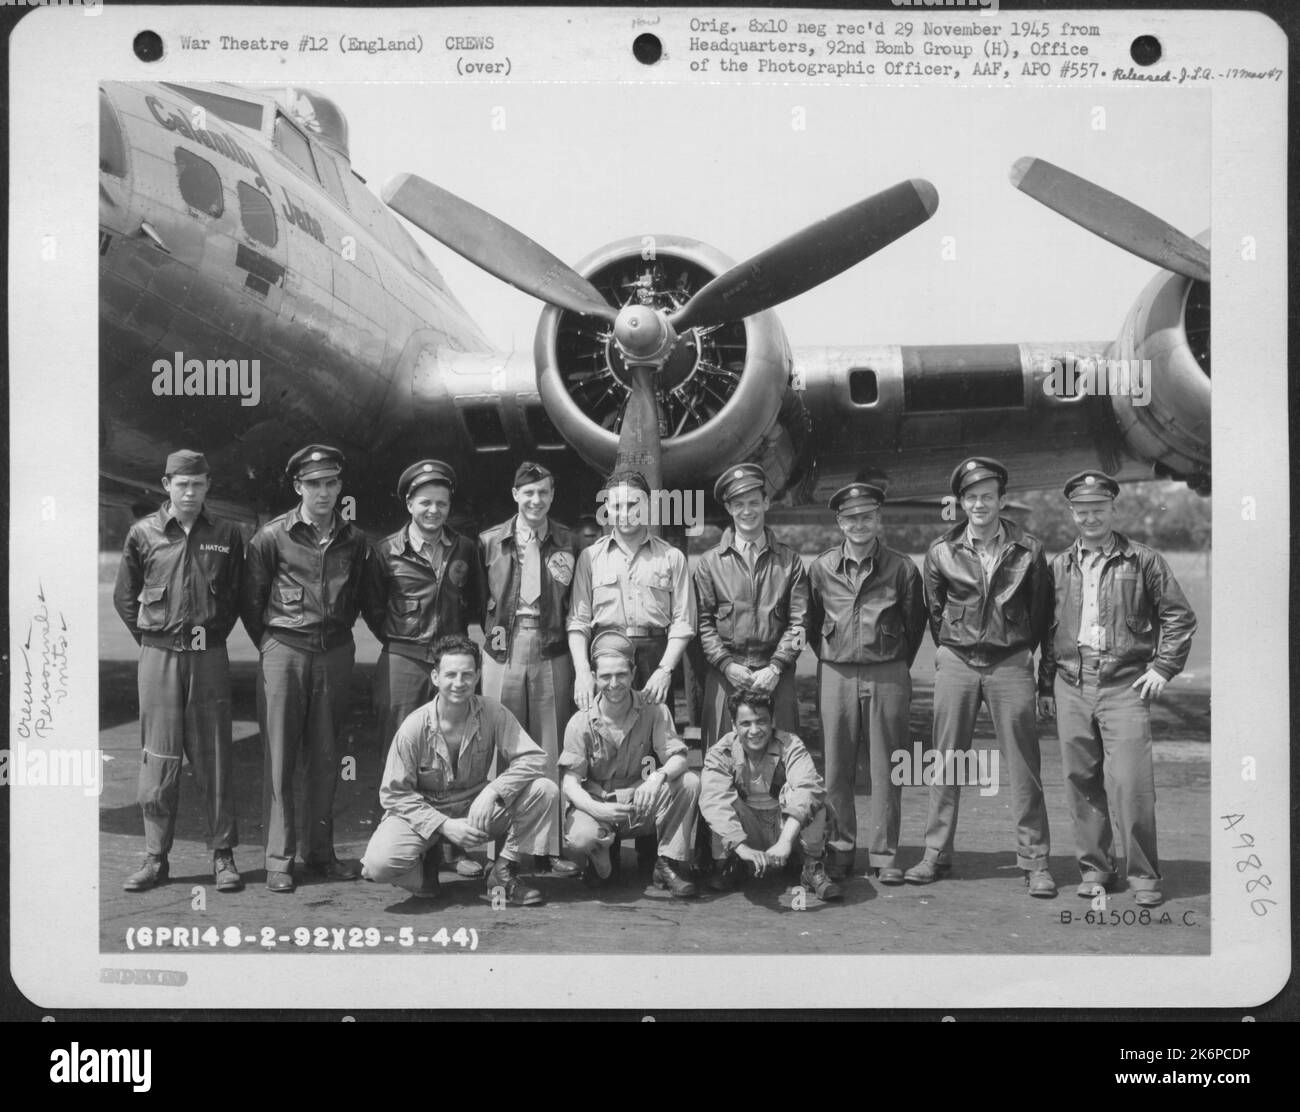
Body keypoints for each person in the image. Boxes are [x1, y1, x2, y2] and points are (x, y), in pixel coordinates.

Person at [1037, 471, 1197, 907]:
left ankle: (1144, 874)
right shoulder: (1059, 566)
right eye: (1082, 510)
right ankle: (1095, 868)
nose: (1090, 517)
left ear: (1113, 509)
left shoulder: (1143, 560)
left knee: (1130, 783)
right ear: (1072, 512)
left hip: (1125, 684)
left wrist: (1163, 667)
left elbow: (1180, 617)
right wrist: (1045, 687)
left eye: (1098, 508)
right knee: (1081, 780)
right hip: (1071, 681)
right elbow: (1050, 631)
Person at [904, 457, 1057, 897]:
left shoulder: (1031, 550)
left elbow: (1043, 618)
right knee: (946, 759)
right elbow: (935, 613)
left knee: (1024, 765)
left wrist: (1044, 680)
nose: (979, 504)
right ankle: (935, 853)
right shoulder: (941, 551)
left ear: (1002, 500)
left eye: (987, 496)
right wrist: (954, 649)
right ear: (961, 502)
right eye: (971, 497)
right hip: (957, 660)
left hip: (1011, 662)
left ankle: (1035, 861)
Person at [113, 450, 245, 893]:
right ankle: (155, 858)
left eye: (199, 485)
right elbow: (126, 598)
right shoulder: (143, 533)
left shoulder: (227, 533)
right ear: (166, 484)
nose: (190, 493)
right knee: (159, 759)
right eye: (182, 485)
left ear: (208, 486)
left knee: (214, 758)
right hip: (159, 655)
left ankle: (223, 855)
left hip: (208, 656)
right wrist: (156, 641)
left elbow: (232, 598)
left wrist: (207, 637)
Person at [241, 445, 368, 893]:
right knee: (279, 758)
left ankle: (319, 852)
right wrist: (274, 645)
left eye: (331, 483)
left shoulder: (354, 539)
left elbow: (359, 597)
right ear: (299, 487)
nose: (324, 492)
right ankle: (279, 859)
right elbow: (251, 601)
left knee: (326, 757)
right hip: (285, 650)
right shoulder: (272, 536)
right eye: (314, 484)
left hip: (333, 652)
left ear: (340, 487)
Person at [361, 636, 558, 906]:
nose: (459, 682)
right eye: (450, 674)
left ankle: (503, 872)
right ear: (435, 677)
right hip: (425, 813)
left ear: (477, 676)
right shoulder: (413, 727)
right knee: (378, 865)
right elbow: (394, 794)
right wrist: (443, 825)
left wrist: (493, 791)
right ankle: (424, 871)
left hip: (475, 809)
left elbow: (535, 758)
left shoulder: (492, 712)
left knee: (544, 790)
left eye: (467, 674)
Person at [360, 459, 481, 872]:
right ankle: (403, 845)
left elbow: (475, 601)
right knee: (400, 750)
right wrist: (404, 643)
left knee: (453, 750)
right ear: (409, 503)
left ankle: (453, 847)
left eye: (442, 504)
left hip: (449, 666)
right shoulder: (385, 552)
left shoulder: (465, 549)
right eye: (426, 503)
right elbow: (375, 610)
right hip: (404, 660)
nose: (434, 511)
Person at [807, 482, 926, 884]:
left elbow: (914, 623)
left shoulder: (902, 567)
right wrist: (837, 652)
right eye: (850, 518)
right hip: (836, 671)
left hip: (887, 669)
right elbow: (811, 624)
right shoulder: (821, 568)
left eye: (867, 517)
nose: (859, 525)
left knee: (886, 766)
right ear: (840, 523)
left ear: (879, 519)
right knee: (837, 767)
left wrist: (890, 661)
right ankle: (840, 850)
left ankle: (884, 854)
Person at [477, 461, 580, 877]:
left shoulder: (569, 541)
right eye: (528, 493)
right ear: (515, 495)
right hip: (504, 644)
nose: (536, 501)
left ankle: (548, 846)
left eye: (544, 493)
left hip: (551, 643)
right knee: (501, 744)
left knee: (550, 745)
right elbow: (475, 599)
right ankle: (495, 845)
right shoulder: (487, 542)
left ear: (552, 496)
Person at [558, 631, 700, 897]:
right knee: (581, 837)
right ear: (594, 677)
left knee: (689, 782)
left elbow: (679, 757)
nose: (614, 684)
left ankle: (667, 863)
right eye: (605, 677)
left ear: (633, 673)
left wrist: (657, 777)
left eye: (621, 675)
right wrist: (597, 810)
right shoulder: (580, 722)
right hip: (598, 804)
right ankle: (600, 855)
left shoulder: (655, 710)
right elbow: (570, 783)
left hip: (639, 801)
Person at [693, 462, 809, 746]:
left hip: (774, 675)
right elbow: (703, 623)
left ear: (766, 502)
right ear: (729, 509)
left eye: (754, 502)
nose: (747, 511)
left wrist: (776, 668)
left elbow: (800, 624)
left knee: (782, 763)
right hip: (726, 674)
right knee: (723, 764)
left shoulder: (790, 561)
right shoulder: (709, 563)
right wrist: (727, 665)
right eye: (739, 504)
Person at [567, 470, 696, 710]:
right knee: (606, 736)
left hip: (654, 656)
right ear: (606, 508)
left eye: (632, 504)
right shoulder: (590, 558)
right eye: (616, 506)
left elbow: (683, 622)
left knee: (656, 739)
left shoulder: (672, 557)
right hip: (607, 654)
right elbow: (578, 621)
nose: (624, 514)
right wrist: (583, 671)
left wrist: (664, 670)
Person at [699, 687, 842, 900]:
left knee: (812, 794)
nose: (755, 730)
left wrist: (785, 842)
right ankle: (733, 863)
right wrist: (741, 847)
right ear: (733, 725)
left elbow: (808, 788)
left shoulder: (791, 744)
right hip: (746, 832)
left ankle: (812, 867)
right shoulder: (720, 752)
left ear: (772, 721)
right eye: (746, 723)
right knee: (718, 797)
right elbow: (713, 800)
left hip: (784, 829)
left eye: (761, 721)